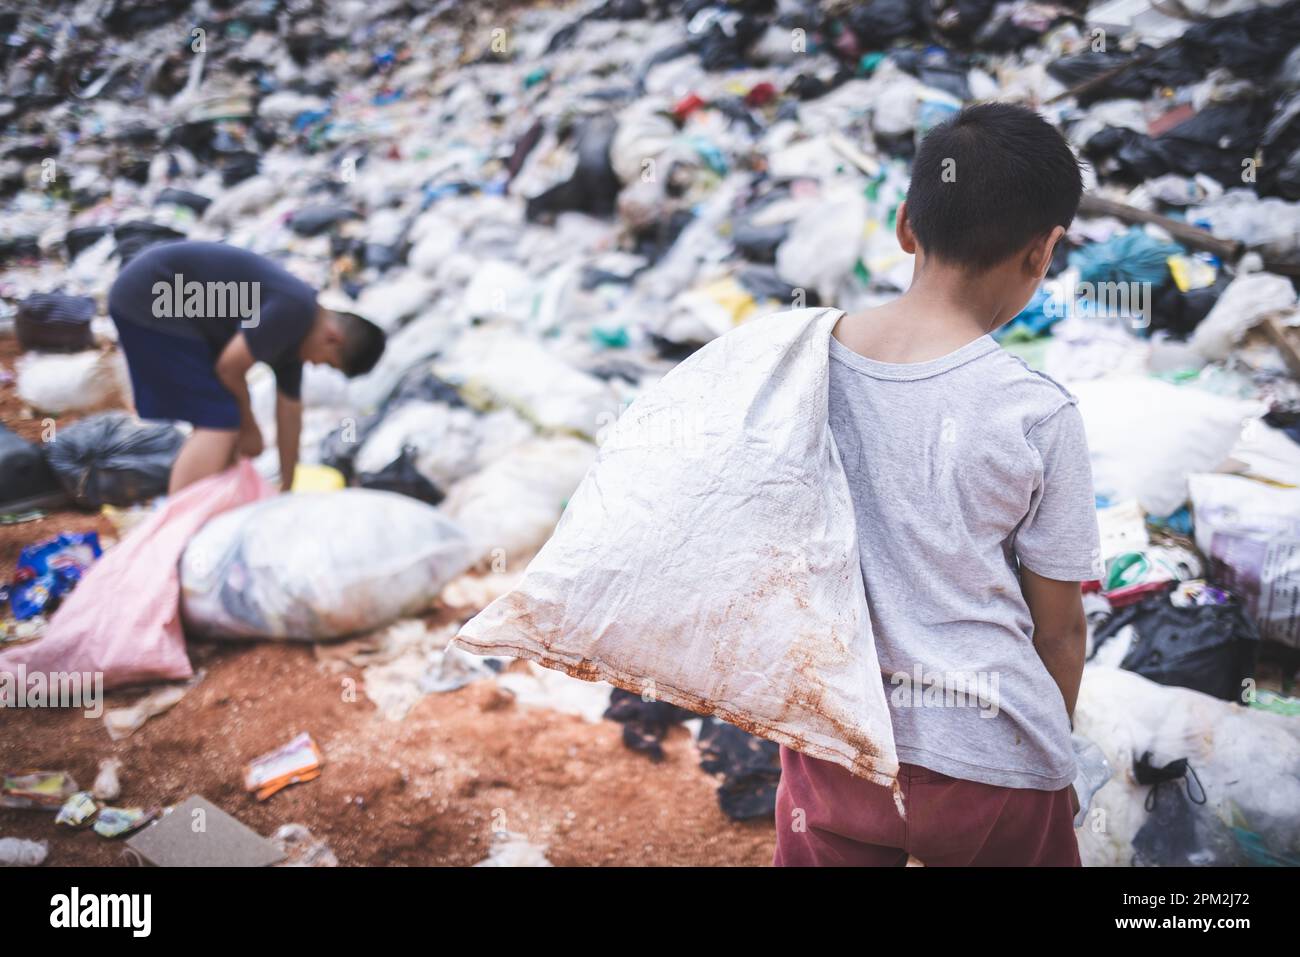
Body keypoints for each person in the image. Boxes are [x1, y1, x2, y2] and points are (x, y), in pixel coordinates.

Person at [773, 103, 1103, 866]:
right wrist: (1052, 753)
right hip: (993, 757)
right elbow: (1060, 629)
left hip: (837, 741)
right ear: (1043, 252)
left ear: (904, 226)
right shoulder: (1038, 412)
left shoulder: (802, 363)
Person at [107, 241, 385, 494]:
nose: (315, 364)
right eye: (326, 362)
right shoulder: (295, 310)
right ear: (333, 338)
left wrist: (287, 488)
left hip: (169, 304)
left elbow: (290, 413)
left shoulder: (295, 340)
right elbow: (230, 366)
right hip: (153, 295)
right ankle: (177, 528)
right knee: (221, 421)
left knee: (223, 419)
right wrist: (250, 427)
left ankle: (205, 508)